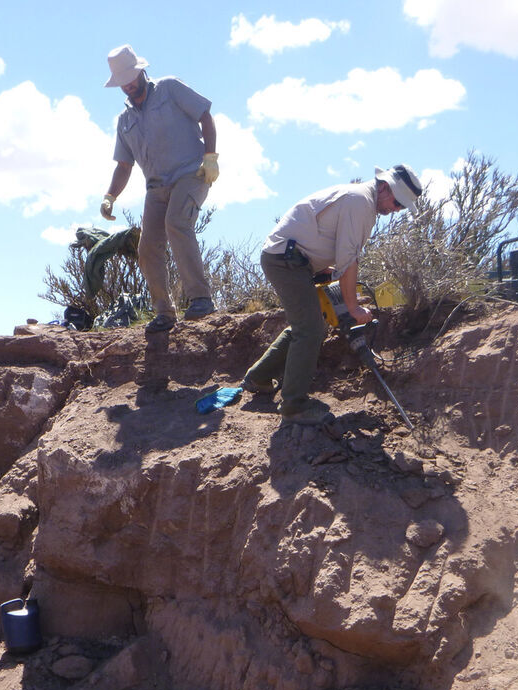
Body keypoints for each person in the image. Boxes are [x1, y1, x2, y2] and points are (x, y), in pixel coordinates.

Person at [243, 164, 423, 425]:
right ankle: (294, 406)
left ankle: (258, 377)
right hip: (287, 260)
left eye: (402, 207)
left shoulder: (361, 201)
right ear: (384, 187)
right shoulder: (360, 202)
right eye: (397, 202)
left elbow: (342, 256)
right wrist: (353, 308)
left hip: (293, 259)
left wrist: (328, 273)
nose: (396, 210)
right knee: (311, 329)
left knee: (307, 324)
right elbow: (349, 261)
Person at [100, 44, 218, 334]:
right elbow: (124, 166)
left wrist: (211, 157)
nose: (127, 85)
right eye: (122, 82)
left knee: (177, 224)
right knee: (148, 247)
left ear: (141, 71)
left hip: (191, 172)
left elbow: (205, 115)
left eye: (130, 78)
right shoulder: (125, 120)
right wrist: (110, 196)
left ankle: (201, 299)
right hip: (156, 187)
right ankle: (164, 312)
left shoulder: (169, 89)